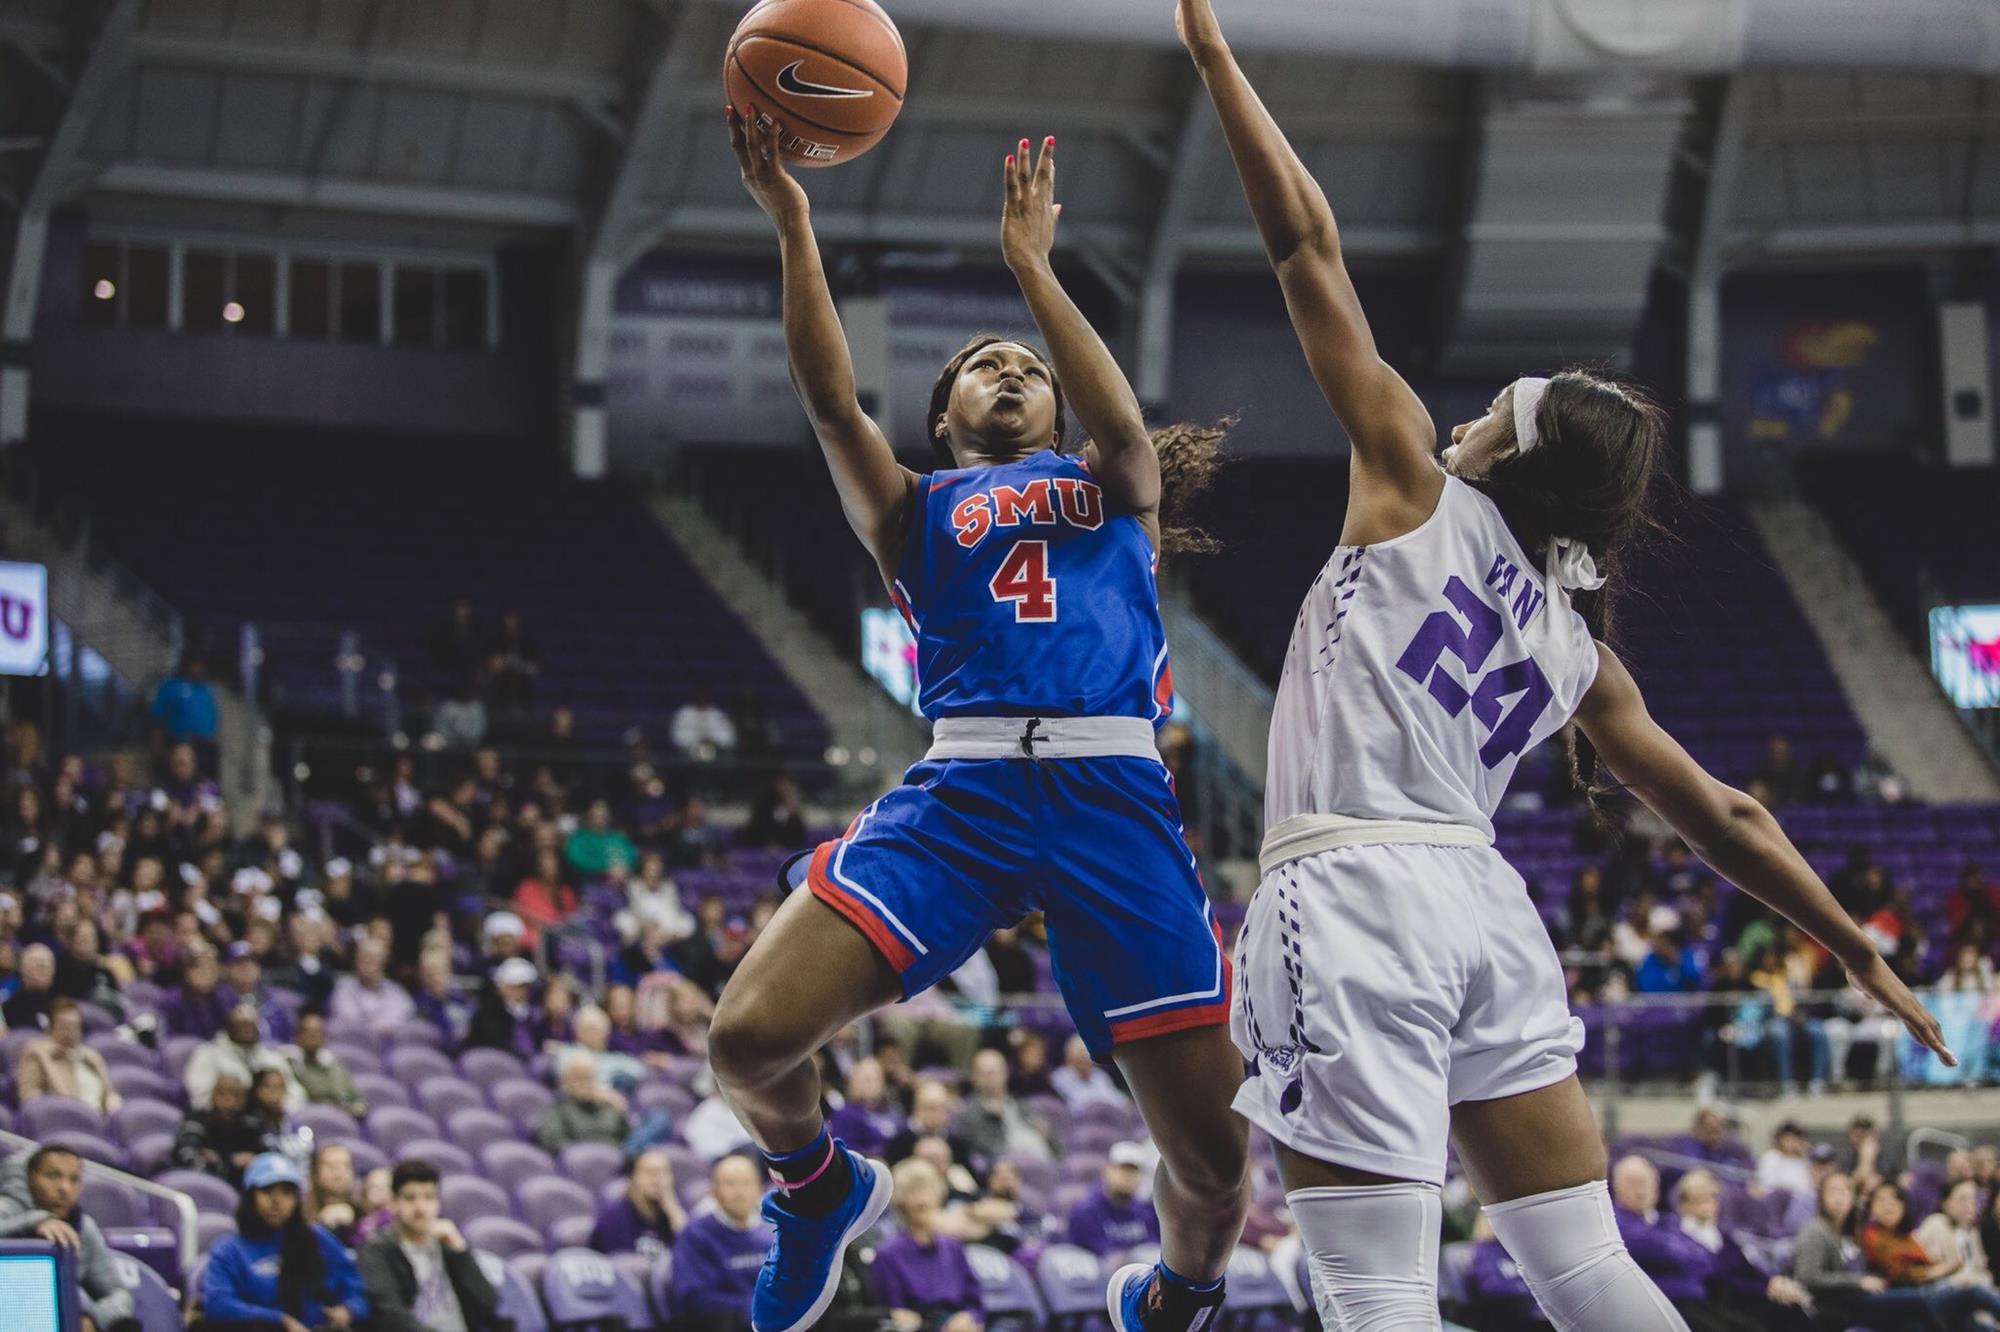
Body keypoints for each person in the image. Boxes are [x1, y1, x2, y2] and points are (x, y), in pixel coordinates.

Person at [1175, 4, 1954, 1330]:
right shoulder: (1572, 638)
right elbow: (1729, 816)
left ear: (1509, 452)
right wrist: (1851, 948)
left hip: (1353, 889)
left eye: (1494, 407)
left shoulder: (1410, 481)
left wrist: (1213, 54)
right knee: (1589, 1273)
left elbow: (1305, 240)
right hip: (1486, 905)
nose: (1465, 412)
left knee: (1373, 1294)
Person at [716, 102, 1246, 1332]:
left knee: (1215, 1168)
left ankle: (1177, 1297)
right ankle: (814, 1189)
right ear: (943, 419)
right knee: (746, 1041)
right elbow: (830, 402)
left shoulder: (1113, 489)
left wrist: (1032, 271)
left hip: (1111, 797)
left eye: (1028, 370)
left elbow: (1124, 429)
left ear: (1055, 410)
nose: (1009, 370)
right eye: (981, 369)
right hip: (961, 792)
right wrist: (793, 221)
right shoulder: (914, 508)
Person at [196, 1153, 368, 1332]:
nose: (276, 1201)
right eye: (267, 1191)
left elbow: (355, 1290)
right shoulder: (229, 1250)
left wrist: (348, 1310)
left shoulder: (317, 1239)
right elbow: (218, 1305)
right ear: (250, 1196)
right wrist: (279, 1321)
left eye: (286, 1193)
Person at [358, 1158, 509, 1332]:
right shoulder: (376, 1251)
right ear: (393, 1202)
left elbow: (488, 1304)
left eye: (429, 1197)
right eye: (410, 1198)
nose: (420, 1207)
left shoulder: (447, 1245)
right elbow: (391, 1317)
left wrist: (461, 1252)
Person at [0, 1145, 139, 1332]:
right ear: (31, 1177)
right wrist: (35, 1221)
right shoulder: (7, 1209)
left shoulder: (83, 1226)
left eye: (74, 1180)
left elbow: (119, 1293)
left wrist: (94, 1319)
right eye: (53, 1176)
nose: (65, 1188)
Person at [1670, 1168, 1812, 1332]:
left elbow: (1747, 1267)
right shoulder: (1681, 1238)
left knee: (1791, 1307)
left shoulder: (1721, 1234)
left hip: (1747, 1296)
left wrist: (1772, 1282)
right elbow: (1718, 1280)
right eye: (1700, 1200)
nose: (1708, 1205)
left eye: (1711, 1198)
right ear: (1685, 1205)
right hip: (1722, 1303)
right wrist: (1765, 1288)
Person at [1858, 1182, 2000, 1330]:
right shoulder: (1870, 1235)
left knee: (1966, 1319)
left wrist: (1939, 1270)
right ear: (1871, 1207)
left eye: (1895, 1199)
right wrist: (1935, 1272)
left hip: (1920, 1297)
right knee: (1972, 1293)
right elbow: (1899, 1272)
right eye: (1881, 1200)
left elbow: (1928, 1265)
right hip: (1895, 1295)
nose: (1889, 1205)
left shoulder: (1907, 1237)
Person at [871, 1158, 985, 1332]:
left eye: (928, 1189)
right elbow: (897, 1316)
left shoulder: (953, 1247)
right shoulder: (887, 1254)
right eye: (913, 1192)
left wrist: (970, 1317)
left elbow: (975, 1301)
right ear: (900, 1202)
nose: (923, 1199)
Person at [670, 1154, 774, 1332]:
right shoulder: (696, 1234)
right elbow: (696, 1300)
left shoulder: (773, 1231)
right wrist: (756, 1310)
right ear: (714, 1191)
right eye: (730, 1183)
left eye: (746, 1183)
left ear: (759, 1189)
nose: (739, 1191)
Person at [953, 1049, 1053, 1174]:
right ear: (974, 1077)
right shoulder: (967, 1113)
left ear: (1005, 1073)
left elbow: (1053, 1144)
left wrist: (1046, 1135)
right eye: (985, 1073)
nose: (990, 1078)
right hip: (1006, 1170)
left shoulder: (1019, 1104)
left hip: (1041, 1165)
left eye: (994, 1072)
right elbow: (980, 1148)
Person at [186, 1004, 303, 1111]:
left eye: (251, 1025)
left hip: (267, 1121)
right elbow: (200, 1096)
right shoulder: (207, 1054)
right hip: (222, 1121)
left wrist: (279, 1108)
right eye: (241, 1025)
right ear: (228, 1026)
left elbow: (296, 1093)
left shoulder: (272, 1058)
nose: (247, 1030)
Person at [15, 998, 121, 1115]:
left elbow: (111, 1093)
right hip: (65, 1120)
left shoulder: (91, 1056)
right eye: (64, 1027)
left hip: (100, 1121)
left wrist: (113, 1103)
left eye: (75, 1027)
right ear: (50, 1027)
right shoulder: (38, 1053)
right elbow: (29, 1097)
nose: (70, 1033)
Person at [1066, 1143, 1162, 1258]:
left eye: (1134, 1171)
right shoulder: (1086, 1211)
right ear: (1107, 1170)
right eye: (1123, 1169)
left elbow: (1155, 1250)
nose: (1128, 1176)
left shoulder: (1147, 1212)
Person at [588, 1148, 686, 1259]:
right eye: (650, 1172)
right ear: (632, 1178)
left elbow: (689, 1255)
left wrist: (672, 1209)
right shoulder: (613, 1215)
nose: (657, 1179)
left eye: (663, 1172)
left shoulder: (675, 1214)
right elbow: (623, 1264)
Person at [534, 1052, 632, 1155]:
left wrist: (623, 1111)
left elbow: (630, 1142)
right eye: (579, 1078)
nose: (585, 1083)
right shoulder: (557, 1110)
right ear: (565, 1082)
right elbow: (554, 1143)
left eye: (590, 1078)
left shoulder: (611, 1108)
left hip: (614, 1163)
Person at [172, 1072, 264, 1182]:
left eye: (236, 1095)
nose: (229, 1101)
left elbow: (267, 1158)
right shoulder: (196, 1119)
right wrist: (228, 1163)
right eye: (222, 1093)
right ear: (212, 1095)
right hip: (203, 1183)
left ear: (244, 1099)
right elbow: (186, 1156)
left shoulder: (251, 1124)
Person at [1916, 1178, 1994, 1290]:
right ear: (1946, 1203)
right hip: (1943, 1291)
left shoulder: (1972, 1231)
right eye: (1963, 1199)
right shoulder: (1935, 1224)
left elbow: (1982, 1271)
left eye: (1973, 1200)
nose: (1969, 1205)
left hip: (1973, 1290)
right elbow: (1925, 1272)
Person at [288, 1012, 367, 1118]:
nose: (314, 1036)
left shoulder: (335, 1064)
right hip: (311, 1118)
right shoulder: (291, 1064)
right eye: (309, 1031)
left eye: (318, 1032)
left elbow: (357, 1101)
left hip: (342, 1117)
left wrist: (350, 1110)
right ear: (297, 1036)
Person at [328, 939, 415, 1034]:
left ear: (383, 963)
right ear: (356, 961)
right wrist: (374, 1027)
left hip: (385, 1043)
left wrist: (380, 1026)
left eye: (374, 959)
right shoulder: (343, 986)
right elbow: (345, 1016)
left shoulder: (395, 991)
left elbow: (404, 1013)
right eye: (364, 958)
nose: (368, 964)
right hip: (350, 1041)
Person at [465, 958, 540, 1059]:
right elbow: (493, 1044)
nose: (522, 991)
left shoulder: (531, 1014)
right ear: (501, 986)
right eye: (517, 986)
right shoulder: (487, 1014)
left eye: (525, 986)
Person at [160, 947, 231, 1040]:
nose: (206, 974)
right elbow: (167, 1038)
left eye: (211, 968)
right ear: (186, 972)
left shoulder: (224, 995)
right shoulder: (172, 999)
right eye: (198, 967)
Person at [1049, 1034, 1127, 1114]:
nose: (1084, 1060)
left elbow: (1120, 1100)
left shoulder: (1099, 1075)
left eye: (1086, 1057)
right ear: (1069, 1058)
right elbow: (1077, 1104)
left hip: (1110, 1117)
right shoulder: (1059, 1077)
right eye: (1080, 1056)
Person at [308, 1143, 363, 1246]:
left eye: (346, 1166)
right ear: (315, 1173)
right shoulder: (302, 1215)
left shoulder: (364, 1212)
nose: (339, 1173)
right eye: (331, 1166)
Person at [3, 941, 57, 1029]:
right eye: (37, 963)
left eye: (48, 963)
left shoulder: (60, 1005)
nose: (43, 967)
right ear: (22, 969)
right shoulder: (11, 1007)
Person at [1757, 1122, 1816, 1197]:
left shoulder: (1802, 1162)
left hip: (1797, 1202)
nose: (1791, 1142)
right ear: (1780, 1139)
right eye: (1788, 1138)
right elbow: (1766, 1186)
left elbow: (1808, 1188)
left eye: (1795, 1139)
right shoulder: (1771, 1157)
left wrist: (1805, 1157)